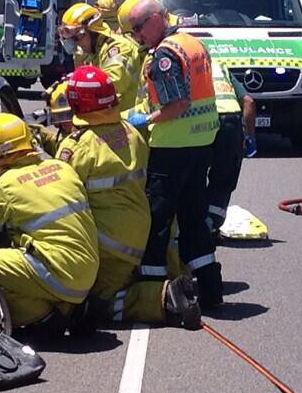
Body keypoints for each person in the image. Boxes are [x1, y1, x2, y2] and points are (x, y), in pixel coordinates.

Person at [57, 65, 200, 329]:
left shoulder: (77, 146)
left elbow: (60, 198)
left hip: (108, 244)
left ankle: (164, 299)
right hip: (138, 231)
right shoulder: (131, 133)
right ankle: (176, 280)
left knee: (99, 304)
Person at [122, 0, 223, 308]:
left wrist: (146, 119)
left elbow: (177, 104)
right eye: (132, 32)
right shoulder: (191, 43)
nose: (137, 36)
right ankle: (210, 288)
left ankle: (155, 292)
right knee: (195, 217)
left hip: (172, 145)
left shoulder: (164, 53)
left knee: (158, 219)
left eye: (138, 28)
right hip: (201, 141)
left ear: (155, 19)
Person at [0, 113, 99, 336]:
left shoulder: (3, 185)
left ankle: (45, 317)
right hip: (89, 270)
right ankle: (69, 307)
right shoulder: (62, 167)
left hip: (60, 272)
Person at [58, 2, 142, 111]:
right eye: (72, 39)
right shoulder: (92, 52)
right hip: (108, 116)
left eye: (78, 37)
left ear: (93, 31)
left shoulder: (118, 49)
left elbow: (108, 88)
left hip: (127, 118)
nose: (77, 44)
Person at [206, 61, 256, 230]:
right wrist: (250, 137)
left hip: (203, 123)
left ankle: (194, 223)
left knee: (195, 177)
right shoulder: (220, 67)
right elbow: (248, 101)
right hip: (231, 124)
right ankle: (212, 226)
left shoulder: (189, 64)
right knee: (224, 179)